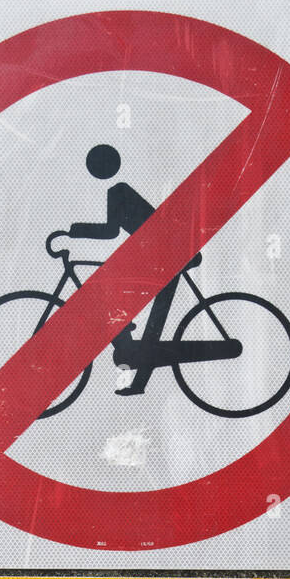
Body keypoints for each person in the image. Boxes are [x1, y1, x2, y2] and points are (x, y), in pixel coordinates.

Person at [68, 145, 199, 394]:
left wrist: (72, 231)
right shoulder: (117, 191)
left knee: (151, 328)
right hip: (160, 259)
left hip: (167, 259)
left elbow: (110, 232)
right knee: (142, 317)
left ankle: (129, 346)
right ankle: (127, 338)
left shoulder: (118, 192)